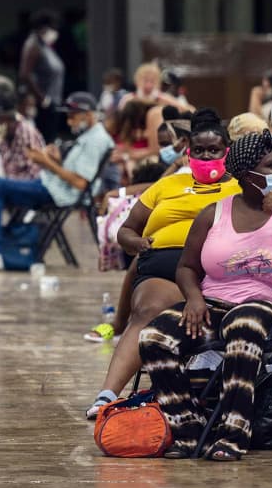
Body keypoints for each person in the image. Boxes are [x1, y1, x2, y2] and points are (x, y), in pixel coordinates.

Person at [138, 132, 272, 460]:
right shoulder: (214, 213)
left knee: (243, 324)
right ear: (247, 176)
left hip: (271, 312)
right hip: (211, 307)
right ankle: (189, 429)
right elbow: (186, 267)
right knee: (154, 337)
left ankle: (234, 432)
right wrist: (193, 298)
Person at [84, 109, 239, 419]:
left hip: (214, 271)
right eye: (199, 150)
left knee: (189, 309)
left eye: (213, 150)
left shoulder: (239, 187)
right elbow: (127, 228)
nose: (206, 156)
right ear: (189, 152)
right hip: (163, 266)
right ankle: (107, 396)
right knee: (146, 311)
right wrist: (135, 243)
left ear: (227, 151)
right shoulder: (167, 186)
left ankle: (187, 385)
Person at [0, 91, 113, 272]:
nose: (69, 121)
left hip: (58, 193)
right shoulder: (88, 136)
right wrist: (56, 159)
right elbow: (74, 172)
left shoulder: (96, 140)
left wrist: (46, 163)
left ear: (88, 115)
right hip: (50, 184)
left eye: (73, 116)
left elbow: (80, 183)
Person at [18, 10, 65, 140]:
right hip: (43, 105)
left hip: (52, 102)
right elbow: (25, 74)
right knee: (44, 139)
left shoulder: (45, 46)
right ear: (44, 28)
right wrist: (42, 98)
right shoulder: (33, 45)